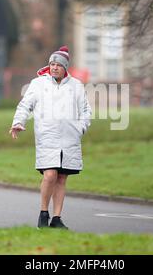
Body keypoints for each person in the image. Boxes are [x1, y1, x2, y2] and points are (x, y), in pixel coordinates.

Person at [10, 46, 91, 229]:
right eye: (52, 64)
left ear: (65, 68)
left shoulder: (76, 86)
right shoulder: (38, 84)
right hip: (47, 138)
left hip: (70, 139)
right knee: (50, 175)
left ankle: (56, 218)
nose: (54, 68)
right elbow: (25, 105)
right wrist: (18, 122)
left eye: (58, 65)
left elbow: (86, 111)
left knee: (61, 178)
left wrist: (81, 128)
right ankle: (43, 212)